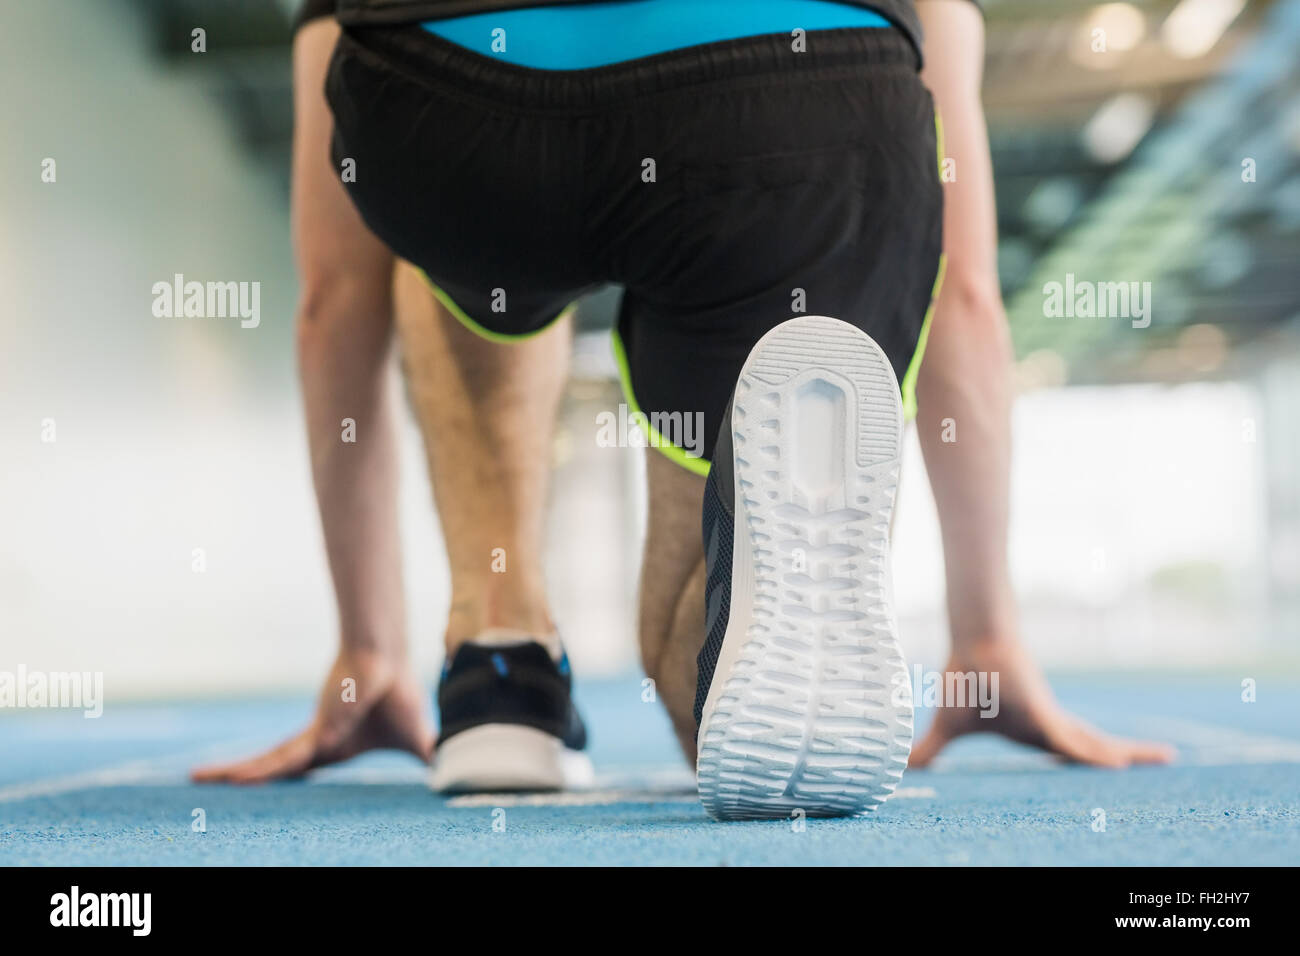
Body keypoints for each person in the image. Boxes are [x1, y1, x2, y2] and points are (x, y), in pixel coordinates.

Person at [194, 0, 1172, 816]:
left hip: (453, 97)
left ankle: (499, 665)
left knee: (455, 270)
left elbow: (332, 301)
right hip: (797, 94)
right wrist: (986, 636)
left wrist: (367, 650)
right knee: (712, 660)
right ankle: (728, 611)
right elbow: (961, 290)